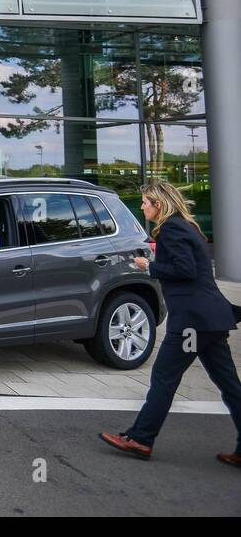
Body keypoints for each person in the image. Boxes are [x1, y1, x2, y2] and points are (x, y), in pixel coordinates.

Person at [100, 180, 241, 467]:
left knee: (164, 377)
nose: (142, 206)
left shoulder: (172, 229)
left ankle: (141, 438)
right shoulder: (187, 227)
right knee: (229, 385)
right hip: (210, 320)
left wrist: (148, 267)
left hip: (192, 324)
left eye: (145, 202)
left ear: (158, 204)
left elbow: (185, 270)